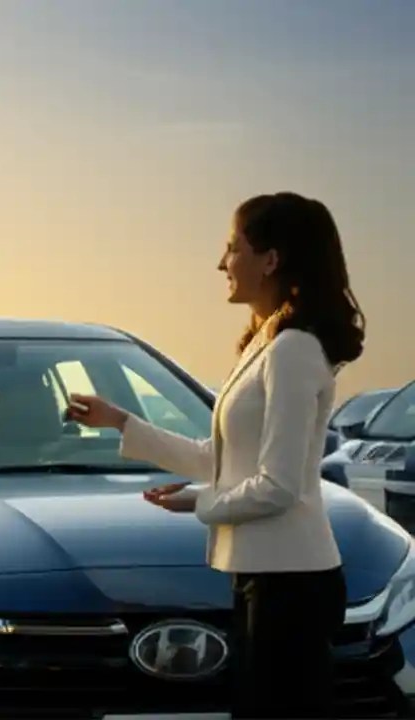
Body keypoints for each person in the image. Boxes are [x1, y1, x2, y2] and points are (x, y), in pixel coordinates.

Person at [65, 192, 365, 718]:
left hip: (289, 584)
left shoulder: (293, 350)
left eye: (233, 248)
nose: (222, 263)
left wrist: (200, 504)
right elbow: (220, 460)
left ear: (270, 260)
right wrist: (121, 422)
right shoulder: (267, 344)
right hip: (265, 578)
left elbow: (278, 486)